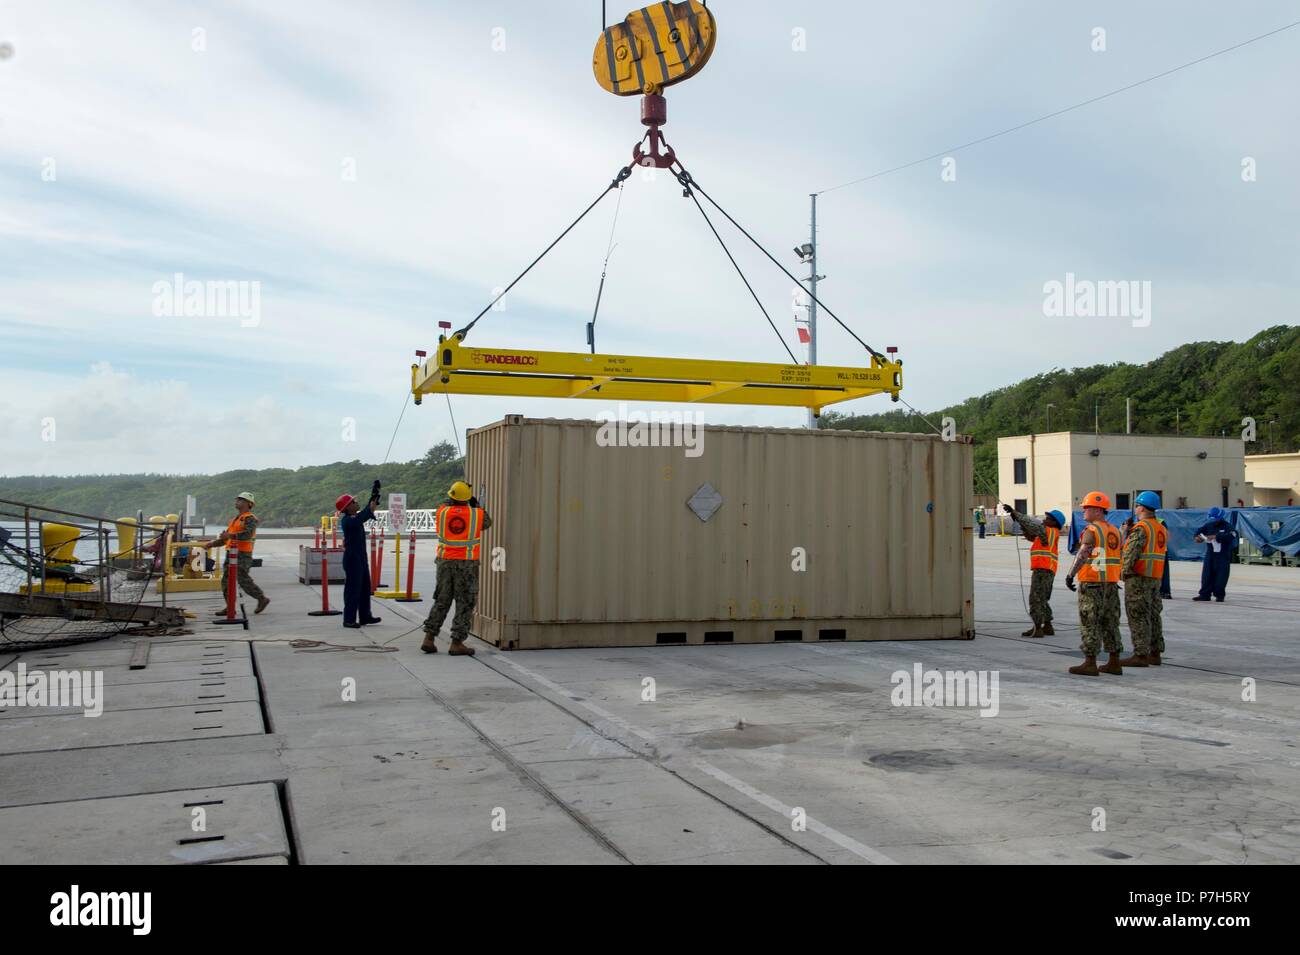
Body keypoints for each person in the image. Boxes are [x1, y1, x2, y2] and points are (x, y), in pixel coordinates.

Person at [421, 480, 491, 656]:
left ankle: (429, 638)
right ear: (467, 498)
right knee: (465, 602)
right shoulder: (476, 514)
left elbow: (448, 502)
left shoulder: (442, 512)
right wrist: (476, 505)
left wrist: (461, 495)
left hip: (444, 562)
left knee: (442, 600)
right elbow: (487, 523)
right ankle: (457, 642)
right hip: (466, 564)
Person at [1063, 491, 1123, 677]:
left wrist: (1070, 574)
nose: (1083, 511)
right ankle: (1114, 661)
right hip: (1111, 583)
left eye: (1086, 508)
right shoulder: (1115, 531)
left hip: (1092, 584)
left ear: (1097, 510)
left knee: (1090, 622)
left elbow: (1083, 554)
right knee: (1111, 622)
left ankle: (1090, 663)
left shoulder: (1092, 531)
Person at [1119, 491, 1167, 667]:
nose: (1136, 508)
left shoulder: (1141, 528)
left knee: (1138, 615)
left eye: (1137, 505)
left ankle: (1140, 654)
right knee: (1154, 616)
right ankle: (1155, 652)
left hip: (1138, 578)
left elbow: (1131, 552)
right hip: (1154, 577)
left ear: (1143, 508)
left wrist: (1123, 573)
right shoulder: (1160, 527)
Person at [200, 491, 269, 614]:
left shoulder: (250, 518)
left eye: (240, 500)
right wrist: (212, 544)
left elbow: (247, 534)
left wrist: (229, 535)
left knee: (243, 580)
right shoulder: (234, 520)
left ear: (249, 504)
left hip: (243, 554)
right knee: (226, 581)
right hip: (231, 554)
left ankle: (261, 598)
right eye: (237, 500)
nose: (237, 502)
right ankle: (230, 607)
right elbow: (226, 538)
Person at [1003, 504, 1065, 637]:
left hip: (1042, 569)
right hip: (1049, 569)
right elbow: (1031, 535)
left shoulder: (1046, 530)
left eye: (1047, 518)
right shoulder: (1051, 533)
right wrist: (1018, 520)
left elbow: (1031, 525)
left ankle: (1038, 628)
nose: (1044, 520)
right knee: (1042, 598)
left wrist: (1015, 513)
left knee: (1036, 598)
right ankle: (1048, 626)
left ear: (1054, 522)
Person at [335, 488, 383, 629]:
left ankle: (365, 616)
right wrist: (372, 503)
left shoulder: (353, 518)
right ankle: (349, 619)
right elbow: (363, 516)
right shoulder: (348, 520)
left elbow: (363, 514)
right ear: (348, 507)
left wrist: (373, 499)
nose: (356, 503)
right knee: (353, 589)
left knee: (364, 588)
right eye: (353, 502)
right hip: (352, 558)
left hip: (360, 557)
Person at [1193, 506, 1236, 602]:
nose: (1214, 521)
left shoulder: (1227, 526)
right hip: (1210, 554)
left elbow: (1232, 535)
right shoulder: (1208, 525)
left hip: (1222, 554)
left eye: (1216, 519)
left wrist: (1217, 537)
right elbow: (1197, 533)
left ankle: (1219, 595)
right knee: (1207, 574)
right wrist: (1197, 538)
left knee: (1221, 575)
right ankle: (1204, 594)